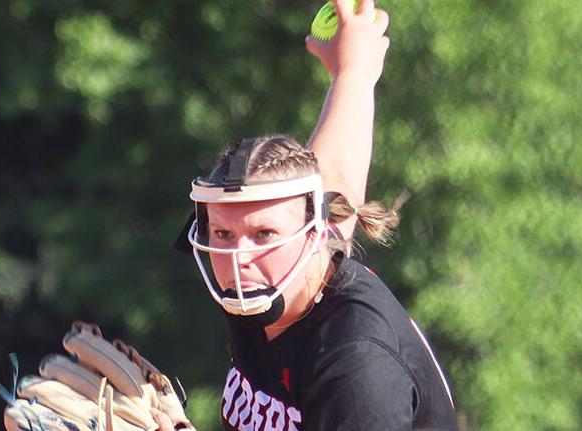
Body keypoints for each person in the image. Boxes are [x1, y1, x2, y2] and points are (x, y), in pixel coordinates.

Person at [162, 1, 458, 429]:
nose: (238, 257)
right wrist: (353, 71)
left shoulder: (358, 368)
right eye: (222, 234)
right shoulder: (274, 279)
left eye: (263, 234)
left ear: (315, 234)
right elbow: (335, 173)